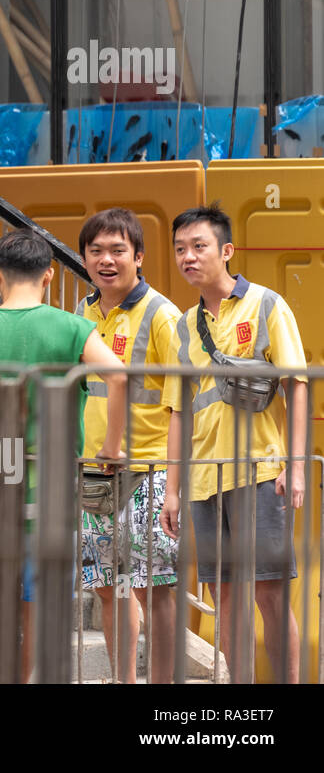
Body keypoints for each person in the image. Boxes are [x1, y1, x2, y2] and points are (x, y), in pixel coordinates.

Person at [0, 228, 126, 682]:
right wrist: (111, 447)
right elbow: (120, 376)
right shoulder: (73, 328)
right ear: (49, 275)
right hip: (51, 494)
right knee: (34, 607)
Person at [160, 204, 307, 684]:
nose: (188, 257)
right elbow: (180, 409)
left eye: (198, 246)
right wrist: (172, 489)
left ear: (226, 251)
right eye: (180, 248)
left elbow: (297, 384)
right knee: (225, 597)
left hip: (260, 474)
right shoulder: (184, 325)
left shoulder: (266, 304)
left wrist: (297, 464)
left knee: (270, 592)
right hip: (204, 480)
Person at [75, 208, 182, 683]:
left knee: (157, 589)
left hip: (151, 472)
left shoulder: (162, 314)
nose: (106, 260)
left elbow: (186, 398)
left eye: (118, 250)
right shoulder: (83, 312)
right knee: (108, 588)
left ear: (139, 256)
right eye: (95, 250)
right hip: (95, 474)